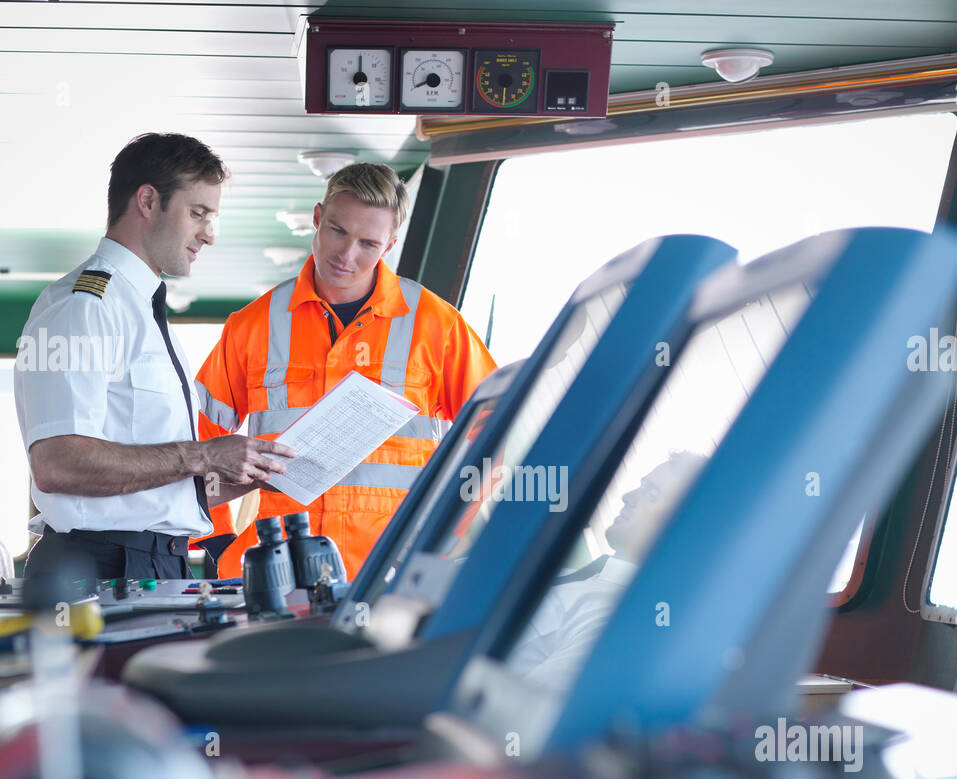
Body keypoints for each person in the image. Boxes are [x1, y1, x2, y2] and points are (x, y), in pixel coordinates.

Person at [193, 162, 497, 579]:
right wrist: (214, 542)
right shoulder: (252, 325)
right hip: (283, 570)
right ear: (317, 218)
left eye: (368, 243)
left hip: (389, 573)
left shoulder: (437, 326)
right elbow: (198, 435)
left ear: (389, 246)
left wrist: (444, 538)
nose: (346, 255)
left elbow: (497, 428)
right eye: (338, 231)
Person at [14, 133, 296, 580]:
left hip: (157, 563)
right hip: (100, 567)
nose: (209, 235)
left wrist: (254, 472)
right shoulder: (85, 304)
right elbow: (57, 464)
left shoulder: (140, 308)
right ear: (147, 200)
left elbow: (158, 486)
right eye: (198, 213)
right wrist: (203, 454)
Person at [508, 452, 707, 688]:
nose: (628, 496)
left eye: (651, 494)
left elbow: (516, 708)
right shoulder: (583, 580)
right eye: (642, 487)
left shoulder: (611, 620)